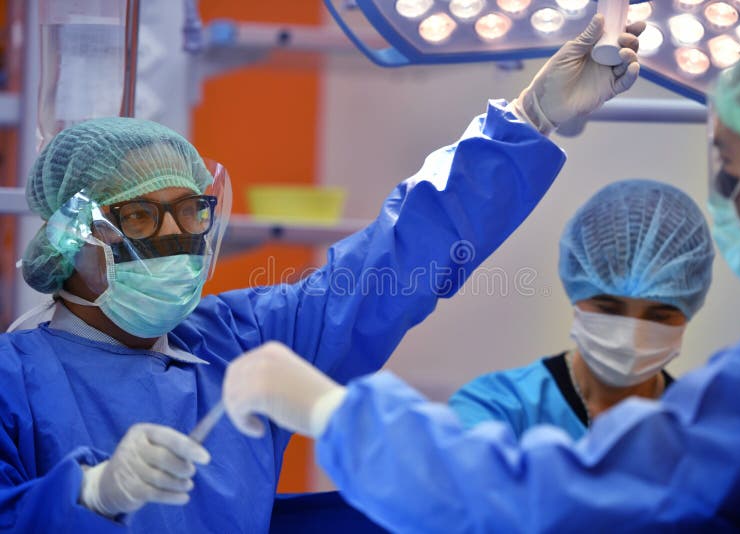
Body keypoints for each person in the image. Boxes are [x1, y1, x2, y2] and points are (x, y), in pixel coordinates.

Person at [0, 15, 644, 532]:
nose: (177, 238)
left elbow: (398, 256)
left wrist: (531, 117)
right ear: (70, 236)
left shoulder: (237, 343)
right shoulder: (15, 383)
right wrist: (88, 492)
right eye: (141, 217)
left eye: (190, 210)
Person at [222, 31, 740, 532]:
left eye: (729, 163)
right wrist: (528, 119)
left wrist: (339, 419)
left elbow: (544, 502)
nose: (726, 192)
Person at [449, 179, 714, 440]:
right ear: (578, 290)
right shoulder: (496, 410)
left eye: (659, 316)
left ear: (689, 306)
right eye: (609, 309)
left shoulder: (702, 433)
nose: (630, 339)